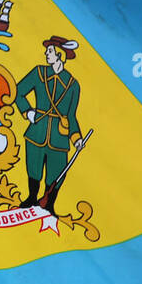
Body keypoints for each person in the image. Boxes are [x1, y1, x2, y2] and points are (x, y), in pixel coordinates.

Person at [15, 36, 85, 215]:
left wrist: (76, 139)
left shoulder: (72, 85)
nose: (46, 53)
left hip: (59, 137)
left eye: (50, 51)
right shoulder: (39, 73)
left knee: (56, 173)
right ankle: (31, 197)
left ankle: (49, 205)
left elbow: (71, 116)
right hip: (37, 129)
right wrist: (28, 112)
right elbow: (18, 92)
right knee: (33, 167)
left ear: (60, 55)